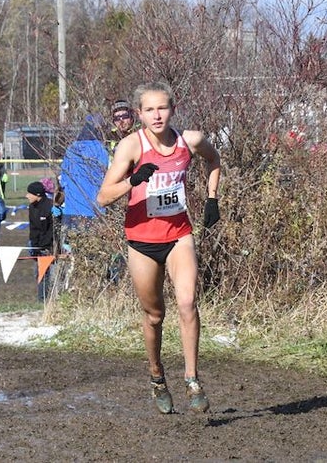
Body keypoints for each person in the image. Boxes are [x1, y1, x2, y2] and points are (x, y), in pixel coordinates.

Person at [96, 81, 221, 415]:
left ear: (173, 110)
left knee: (187, 303)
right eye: (149, 109)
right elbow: (103, 197)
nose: (156, 115)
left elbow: (214, 158)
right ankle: (156, 375)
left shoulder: (188, 141)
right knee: (154, 315)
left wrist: (212, 198)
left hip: (179, 234)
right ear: (139, 114)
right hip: (141, 240)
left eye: (162, 108)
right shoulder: (130, 147)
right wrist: (133, 181)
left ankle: (192, 379)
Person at [27, 181, 53, 302]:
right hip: (37, 247)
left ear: (37, 194)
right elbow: (33, 228)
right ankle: (41, 299)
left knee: (49, 274)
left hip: (49, 246)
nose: (27, 196)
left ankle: (48, 299)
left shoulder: (49, 207)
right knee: (39, 273)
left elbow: (51, 229)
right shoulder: (31, 208)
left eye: (29, 193)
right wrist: (34, 245)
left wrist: (47, 246)